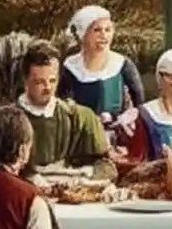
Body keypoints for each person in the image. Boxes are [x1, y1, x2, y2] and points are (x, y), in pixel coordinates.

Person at [17, 41, 116, 180]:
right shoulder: (9, 122)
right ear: (25, 81)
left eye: (52, 81)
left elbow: (107, 168)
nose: (47, 88)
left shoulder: (80, 117)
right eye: (39, 82)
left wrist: (86, 176)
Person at [57, 5, 145, 140]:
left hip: (119, 135)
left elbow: (139, 103)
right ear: (83, 34)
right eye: (97, 30)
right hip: (81, 136)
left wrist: (127, 118)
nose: (103, 35)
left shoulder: (123, 64)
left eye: (108, 30)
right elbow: (64, 105)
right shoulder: (70, 67)